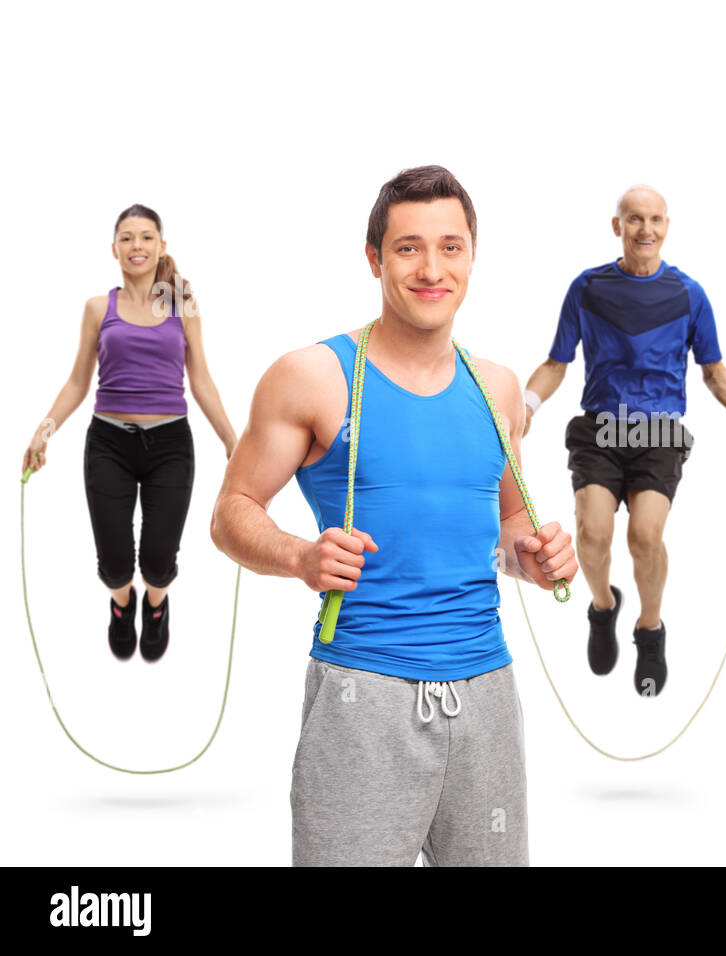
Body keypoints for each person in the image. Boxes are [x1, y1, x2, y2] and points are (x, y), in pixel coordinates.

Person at [210, 165, 577, 867]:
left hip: (488, 694)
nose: (431, 268)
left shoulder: (498, 387)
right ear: (375, 259)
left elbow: (506, 527)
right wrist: (297, 557)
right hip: (363, 695)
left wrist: (530, 556)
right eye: (408, 248)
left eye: (450, 246)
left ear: (472, 256)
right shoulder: (313, 375)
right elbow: (232, 511)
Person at [523, 185, 726, 697]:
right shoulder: (587, 288)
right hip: (599, 429)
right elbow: (556, 363)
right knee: (591, 535)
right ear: (617, 226)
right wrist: (523, 409)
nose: (646, 229)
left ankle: (650, 629)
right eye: (634, 219)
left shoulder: (688, 294)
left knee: (644, 536)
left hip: (659, 432)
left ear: (667, 226)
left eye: (655, 219)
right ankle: (603, 608)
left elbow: (713, 370)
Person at [22, 204, 238, 662]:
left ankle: (155, 608)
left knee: (159, 562)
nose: (136, 245)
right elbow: (79, 381)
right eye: (127, 237)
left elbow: (200, 380)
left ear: (161, 246)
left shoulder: (183, 305)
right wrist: (44, 430)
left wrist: (231, 440)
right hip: (108, 444)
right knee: (114, 561)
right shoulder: (99, 308)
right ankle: (122, 607)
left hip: (170, 445)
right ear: (114, 248)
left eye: (145, 237)